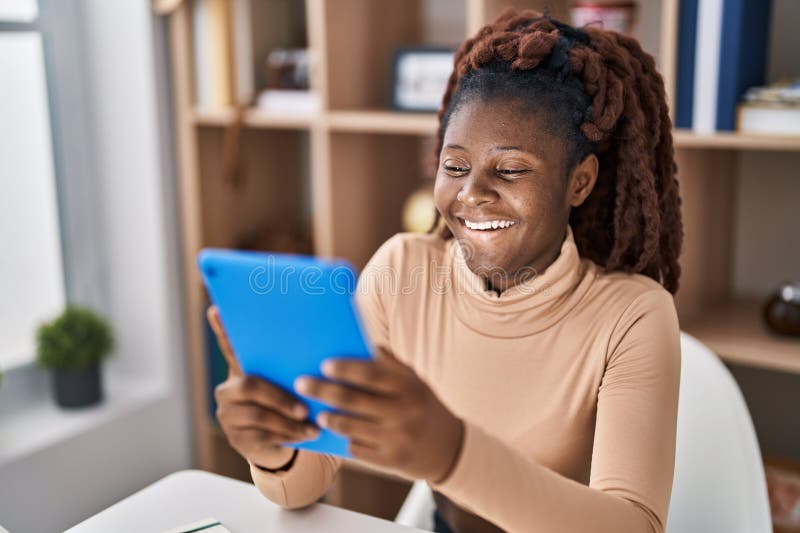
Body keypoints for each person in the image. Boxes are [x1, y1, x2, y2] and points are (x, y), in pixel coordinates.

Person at [208, 8, 683, 533]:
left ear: (580, 182)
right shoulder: (401, 271)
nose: (472, 194)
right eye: (454, 167)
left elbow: (635, 524)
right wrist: (275, 448)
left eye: (511, 170)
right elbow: (307, 480)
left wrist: (453, 454)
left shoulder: (633, 316)